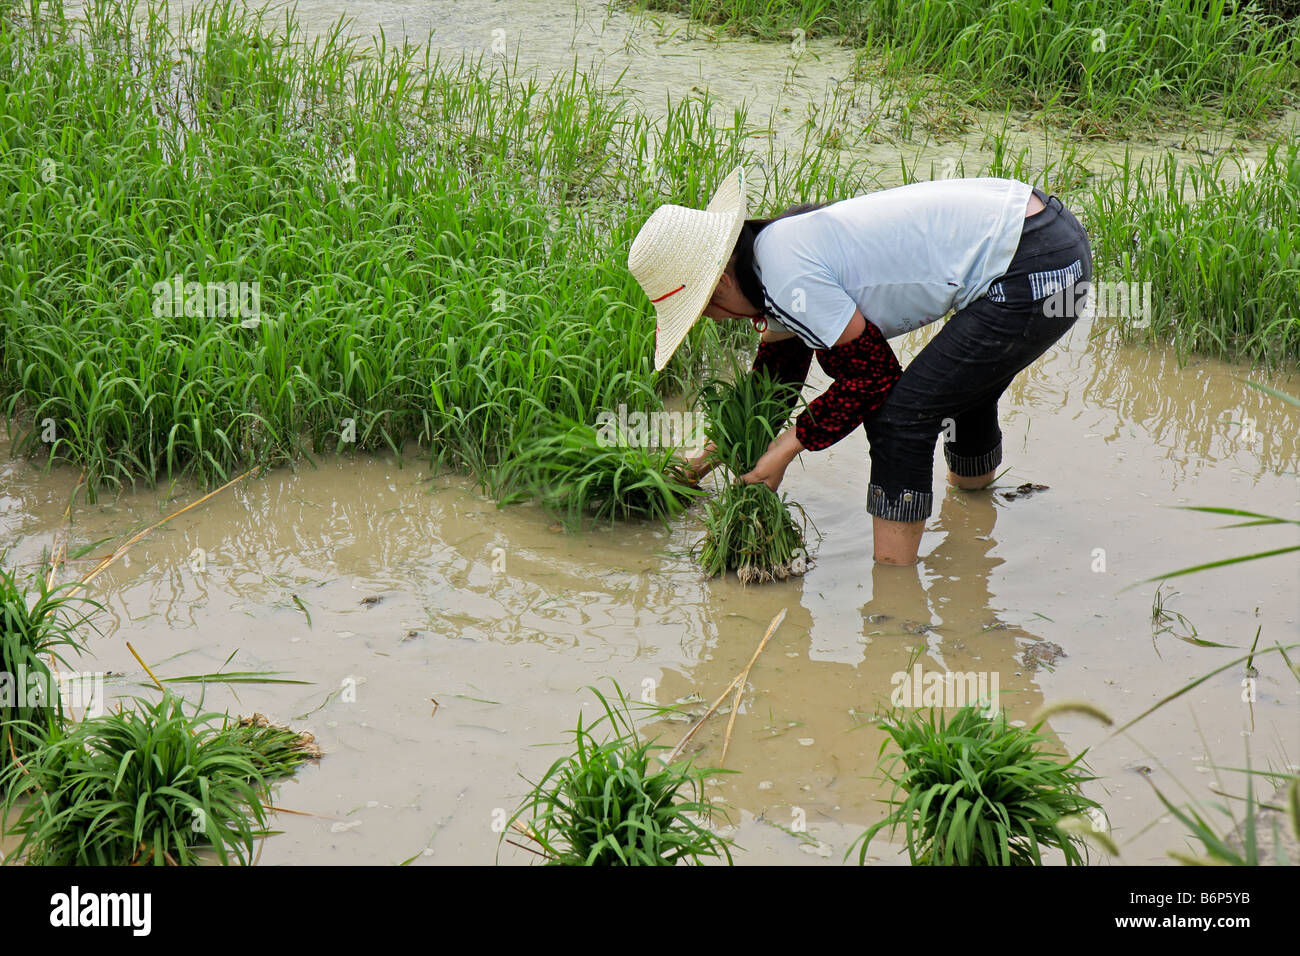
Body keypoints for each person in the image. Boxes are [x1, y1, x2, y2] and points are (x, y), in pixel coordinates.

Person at [627, 166, 1092, 565]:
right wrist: (704, 460)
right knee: (959, 386)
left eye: (704, 309)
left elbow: (874, 377)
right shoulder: (769, 253)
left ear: (721, 282)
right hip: (1038, 230)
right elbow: (778, 377)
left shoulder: (789, 276)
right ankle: (973, 512)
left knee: (902, 417)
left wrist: (786, 450)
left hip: (1036, 268)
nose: (712, 320)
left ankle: (893, 601)